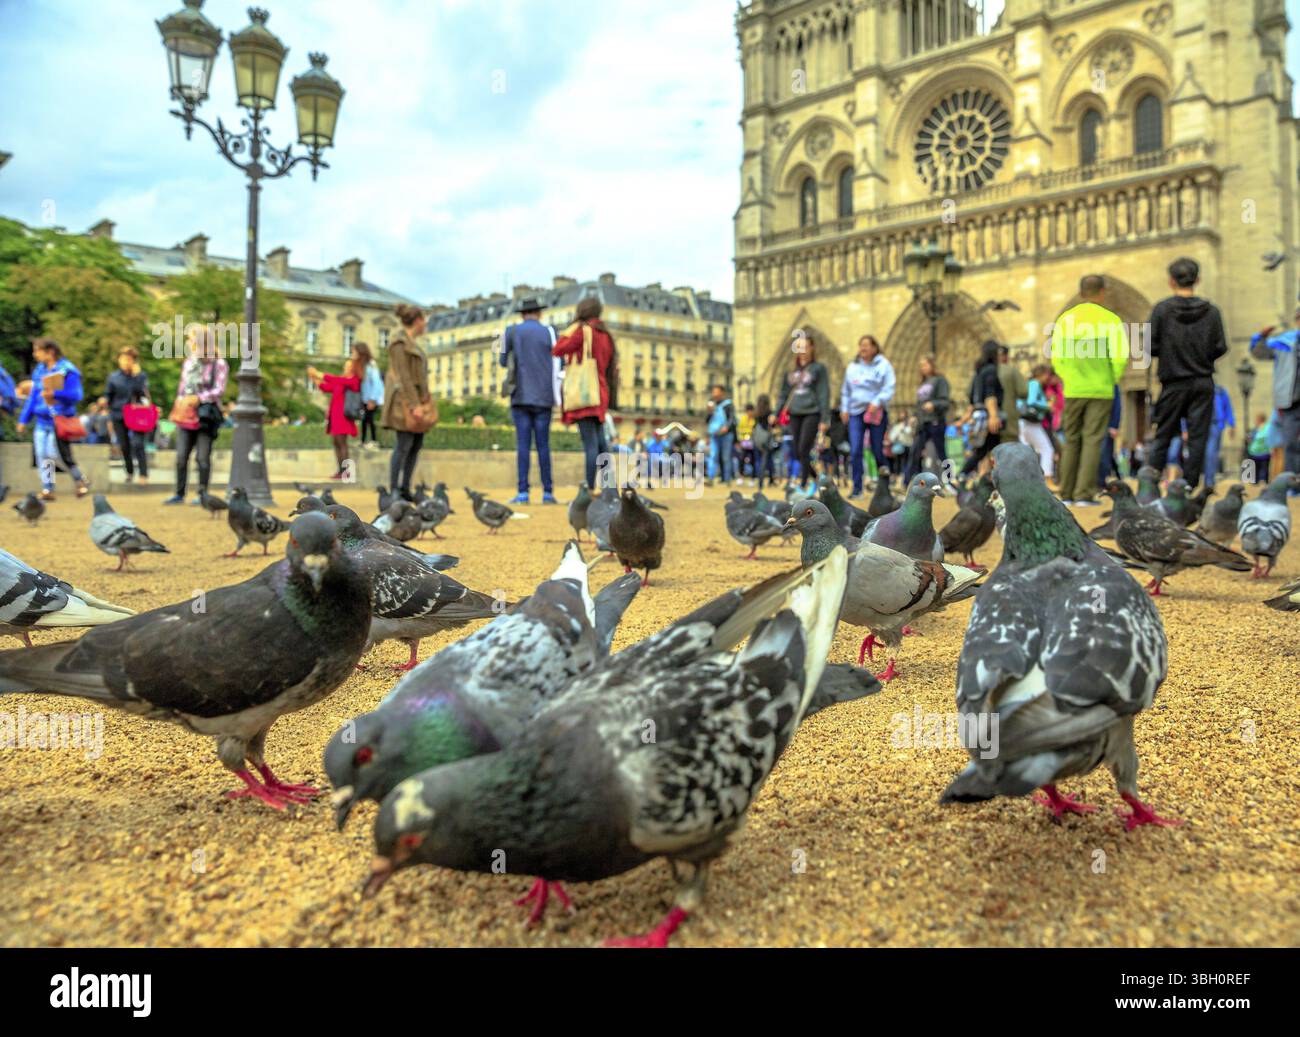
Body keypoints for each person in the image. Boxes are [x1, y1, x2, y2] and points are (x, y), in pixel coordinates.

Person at [1147, 257, 1228, 488]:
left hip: (1173, 382)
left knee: (1163, 435)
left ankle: (1150, 486)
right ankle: (1189, 486)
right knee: (1198, 438)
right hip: (1203, 381)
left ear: (1171, 281)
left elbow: (1150, 346)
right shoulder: (1212, 312)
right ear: (1198, 280)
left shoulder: (1162, 310)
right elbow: (1221, 347)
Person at [1050, 274, 1129, 505]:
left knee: (1071, 439)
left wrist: (1069, 377)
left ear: (1081, 293)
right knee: (1093, 439)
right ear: (1102, 292)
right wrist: (1111, 378)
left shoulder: (1066, 319)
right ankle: (1084, 493)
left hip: (1074, 388)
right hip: (1101, 388)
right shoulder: (1110, 320)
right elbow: (1120, 357)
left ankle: (1066, 492)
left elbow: (1057, 357)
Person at [499, 297, 559, 504]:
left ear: (522, 314)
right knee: (543, 445)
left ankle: (523, 492)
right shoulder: (551, 332)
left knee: (523, 445)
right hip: (544, 396)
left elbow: (502, 360)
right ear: (539, 313)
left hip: (521, 395)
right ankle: (547, 492)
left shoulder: (511, 331)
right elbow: (561, 361)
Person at [553, 296, 616, 490]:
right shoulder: (606, 335)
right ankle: (608, 486)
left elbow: (558, 349)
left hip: (585, 393)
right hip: (600, 391)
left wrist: (571, 328)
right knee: (600, 443)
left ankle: (590, 488)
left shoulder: (583, 331)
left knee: (590, 444)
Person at [15, 338, 89, 501]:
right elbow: (33, 397)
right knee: (42, 455)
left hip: (59, 419)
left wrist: (55, 394)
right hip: (42, 419)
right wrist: (24, 419)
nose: (35, 355)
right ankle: (48, 488)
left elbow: (77, 395)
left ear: (50, 352)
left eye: (37, 351)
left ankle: (80, 478)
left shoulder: (67, 370)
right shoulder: (39, 371)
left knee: (55, 454)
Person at [164, 327, 228, 505]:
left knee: (202, 458)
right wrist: (178, 406)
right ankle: (179, 493)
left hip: (205, 416)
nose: (189, 343)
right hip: (186, 414)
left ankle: (202, 495)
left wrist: (199, 398)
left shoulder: (218, 363)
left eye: (191, 340)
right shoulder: (189, 363)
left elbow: (219, 390)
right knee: (181, 457)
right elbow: (182, 388)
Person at [383, 304, 436, 501]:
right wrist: (414, 405)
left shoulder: (411, 343)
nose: (425, 325)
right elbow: (403, 376)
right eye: (424, 321)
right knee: (403, 444)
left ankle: (405, 489)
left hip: (417, 400)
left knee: (415, 444)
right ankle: (394, 489)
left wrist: (425, 400)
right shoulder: (399, 343)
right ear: (418, 321)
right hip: (404, 401)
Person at [840, 334, 895, 498]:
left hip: (876, 412)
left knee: (877, 450)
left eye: (866, 345)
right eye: (860, 345)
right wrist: (844, 409)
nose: (863, 348)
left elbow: (889, 387)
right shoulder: (852, 367)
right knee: (856, 450)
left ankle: (885, 486)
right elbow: (846, 391)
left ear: (874, 348)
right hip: (856, 413)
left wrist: (877, 401)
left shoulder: (884, 365)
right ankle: (857, 488)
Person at [308, 341, 372, 481]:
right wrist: (314, 379)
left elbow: (333, 380)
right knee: (336, 442)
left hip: (343, 416)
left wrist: (319, 374)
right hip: (335, 416)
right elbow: (327, 388)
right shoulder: (343, 380)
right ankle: (341, 470)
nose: (346, 367)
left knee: (341, 442)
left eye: (348, 366)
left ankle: (346, 471)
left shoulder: (354, 380)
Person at [776, 329, 831, 489]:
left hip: (811, 413)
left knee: (803, 448)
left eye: (805, 347)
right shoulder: (791, 371)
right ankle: (818, 479)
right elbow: (783, 393)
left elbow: (823, 393)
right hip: (794, 413)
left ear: (812, 348)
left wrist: (824, 418)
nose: (802, 351)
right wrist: (775, 413)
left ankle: (803, 483)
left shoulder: (818, 369)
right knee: (798, 451)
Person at [1251, 308, 1300, 483]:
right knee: (1291, 445)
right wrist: (1260, 337)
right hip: (1290, 402)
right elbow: (1258, 352)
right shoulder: (1284, 342)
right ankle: (1293, 483)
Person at [100, 347, 151, 484]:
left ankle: (143, 473)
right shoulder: (113, 377)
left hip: (137, 415)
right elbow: (108, 395)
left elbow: (142, 393)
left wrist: (136, 377)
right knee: (124, 445)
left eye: (128, 359)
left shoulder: (141, 376)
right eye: (122, 359)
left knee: (138, 443)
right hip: (119, 415)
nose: (125, 362)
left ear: (134, 361)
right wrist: (104, 401)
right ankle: (129, 471)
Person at [956, 339, 1004, 476]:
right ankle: (961, 476)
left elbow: (972, 401)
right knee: (987, 451)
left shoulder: (978, 373)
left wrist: (963, 420)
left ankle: (987, 481)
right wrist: (993, 416)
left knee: (986, 450)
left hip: (978, 416)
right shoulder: (991, 371)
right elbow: (990, 396)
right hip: (986, 416)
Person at [904, 355, 950, 484]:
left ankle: (951, 481)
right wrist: (914, 416)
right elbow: (919, 405)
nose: (922, 368)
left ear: (932, 365)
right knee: (914, 452)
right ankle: (906, 482)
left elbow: (945, 402)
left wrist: (933, 404)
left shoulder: (940, 381)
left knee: (942, 454)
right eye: (921, 365)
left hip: (936, 421)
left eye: (925, 364)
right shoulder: (923, 383)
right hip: (923, 423)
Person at [1018, 364, 1055, 478]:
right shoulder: (1035, 383)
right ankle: (1047, 478)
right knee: (1047, 450)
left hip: (1023, 422)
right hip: (1030, 422)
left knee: (1026, 453)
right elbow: (1031, 401)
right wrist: (1047, 405)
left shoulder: (1029, 384)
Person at [995, 344, 1030, 446]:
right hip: (1007, 419)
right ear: (1006, 356)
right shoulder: (1012, 371)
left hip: (988, 421)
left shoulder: (984, 370)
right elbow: (1023, 392)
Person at [1204, 382, 1235, 489]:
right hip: (1204, 423)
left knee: (1213, 453)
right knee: (1210, 452)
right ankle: (1208, 480)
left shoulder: (1221, 391)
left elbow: (1227, 408)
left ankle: (1209, 480)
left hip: (1217, 424)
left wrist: (1231, 424)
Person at [707, 384, 737, 485]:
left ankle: (727, 479)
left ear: (722, 393)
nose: (714, 394)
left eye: (716, 391)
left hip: (726, 434)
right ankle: (711, 477)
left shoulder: (728, 404)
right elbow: (708, 420)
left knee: (726, 457)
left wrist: (726, 427)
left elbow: (732, 418)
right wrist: (709, 412)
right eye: (713, 392)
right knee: (713, 455)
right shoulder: (711, 405)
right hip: (715, 434)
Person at [359, 347, 384, 450]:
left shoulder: (371, 365)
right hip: (366, 398)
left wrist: (373, 399)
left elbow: (377, 382)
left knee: (369, 419)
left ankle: (374, 440)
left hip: (371, 398)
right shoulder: (363, 366)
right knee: (365, 420)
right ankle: (363, 440)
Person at [752, 394, 777, 489]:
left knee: (759, 460)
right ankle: (766, 480)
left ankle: (762, 480)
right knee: (766, 460)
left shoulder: (756, 413)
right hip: (766, 439)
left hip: (757, 438)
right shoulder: (770, 413)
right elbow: (773, 425)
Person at [1246, 413, 1272, 484]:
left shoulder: (1266, 428)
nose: (1255, 421)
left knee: (1264, 469)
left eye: (1256, 420)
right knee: (1255, 469)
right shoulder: (1255, 429)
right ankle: (1255, 481)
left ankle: (1263, 481)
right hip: (1254, 453)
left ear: (1260, 420)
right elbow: (1250, 438)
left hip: (1264, 453)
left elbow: (1263, 437)